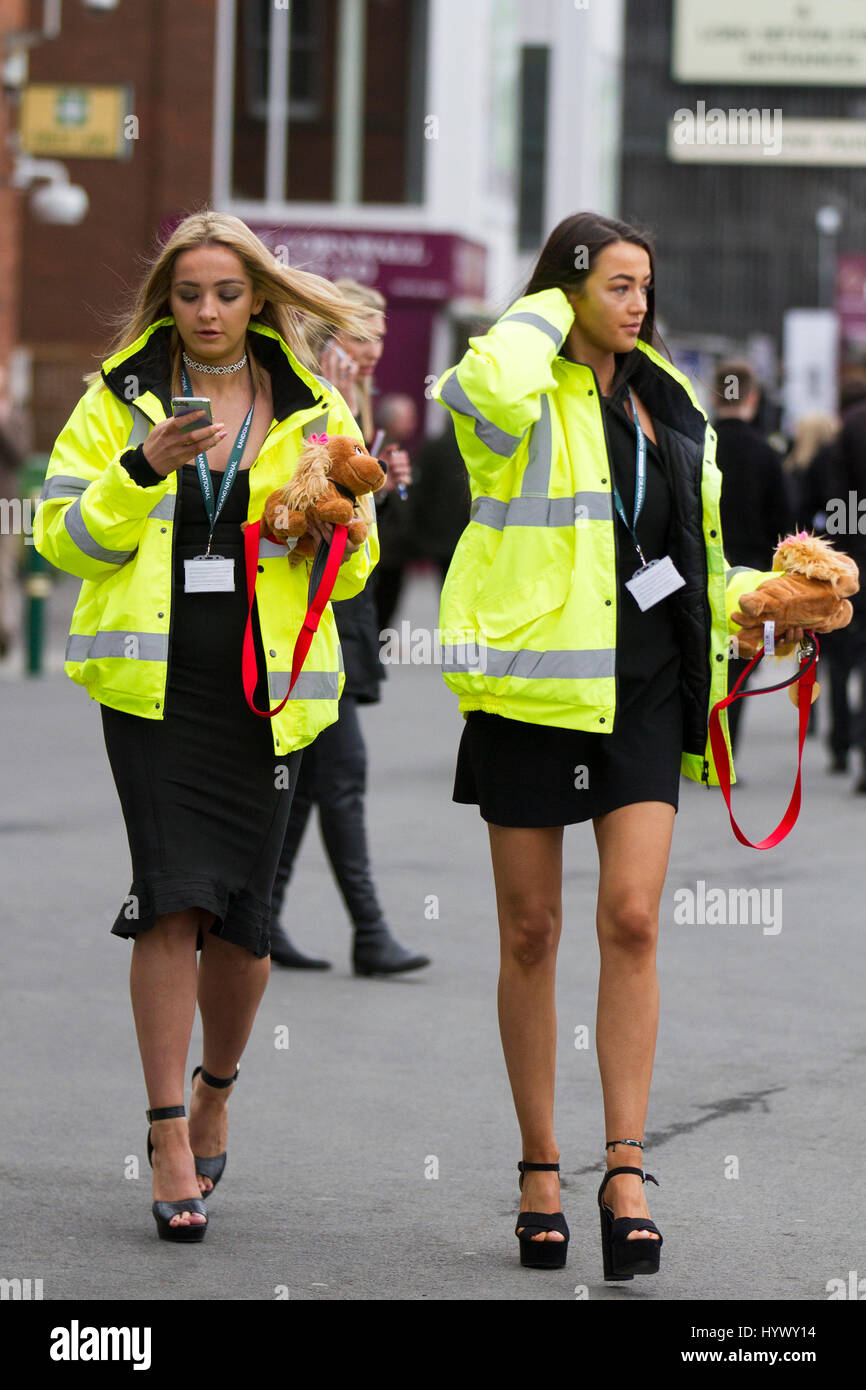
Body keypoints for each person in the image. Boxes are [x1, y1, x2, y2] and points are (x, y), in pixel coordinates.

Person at [432, 211, 794, 1278]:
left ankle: (624, 1169)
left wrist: (759, 597)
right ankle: (538, 1164)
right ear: (569, 290)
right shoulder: (515, 392)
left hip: (643, 687)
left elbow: (690, 557)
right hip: (533, 688)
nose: (637, 305)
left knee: (629, 917)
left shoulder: (669, 408)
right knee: (532, 932)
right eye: (616, 285)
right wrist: (548, 301)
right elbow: (478, 386)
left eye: (646, 287)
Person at [34, 210, 379, 1242]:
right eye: (189, 295)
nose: (209, 312)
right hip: (156, 692)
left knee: (244, 929)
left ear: (258, 298)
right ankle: (165, 1133)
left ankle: (216, 1086)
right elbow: (60, 539)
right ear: (166, 303)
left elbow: (356, 564)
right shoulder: (116, 399)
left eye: (228, 293)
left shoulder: (315, 405)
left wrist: (330, 527)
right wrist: (138, 469)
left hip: (265, 695)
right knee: (170, 901)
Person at [268, 280, 431, 976]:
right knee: (341, 773)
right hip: (310, 618)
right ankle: (368, 932)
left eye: (380, 340)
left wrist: (386, 491)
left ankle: (258, 919)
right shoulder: (310, 407)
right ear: (326, 338)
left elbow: (364, 540)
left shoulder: (356, 409)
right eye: (360, 337)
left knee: (307, 783)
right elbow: (302, 514)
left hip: (346, 616)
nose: (372, 353)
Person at [713, 360, 795, 755]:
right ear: (754, 398)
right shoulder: (766, 453)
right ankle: (724, 753)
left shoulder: (695, 443)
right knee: (737, 664)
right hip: (748, 581)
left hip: (697, 570)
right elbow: (785, 524)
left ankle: (689, 747)